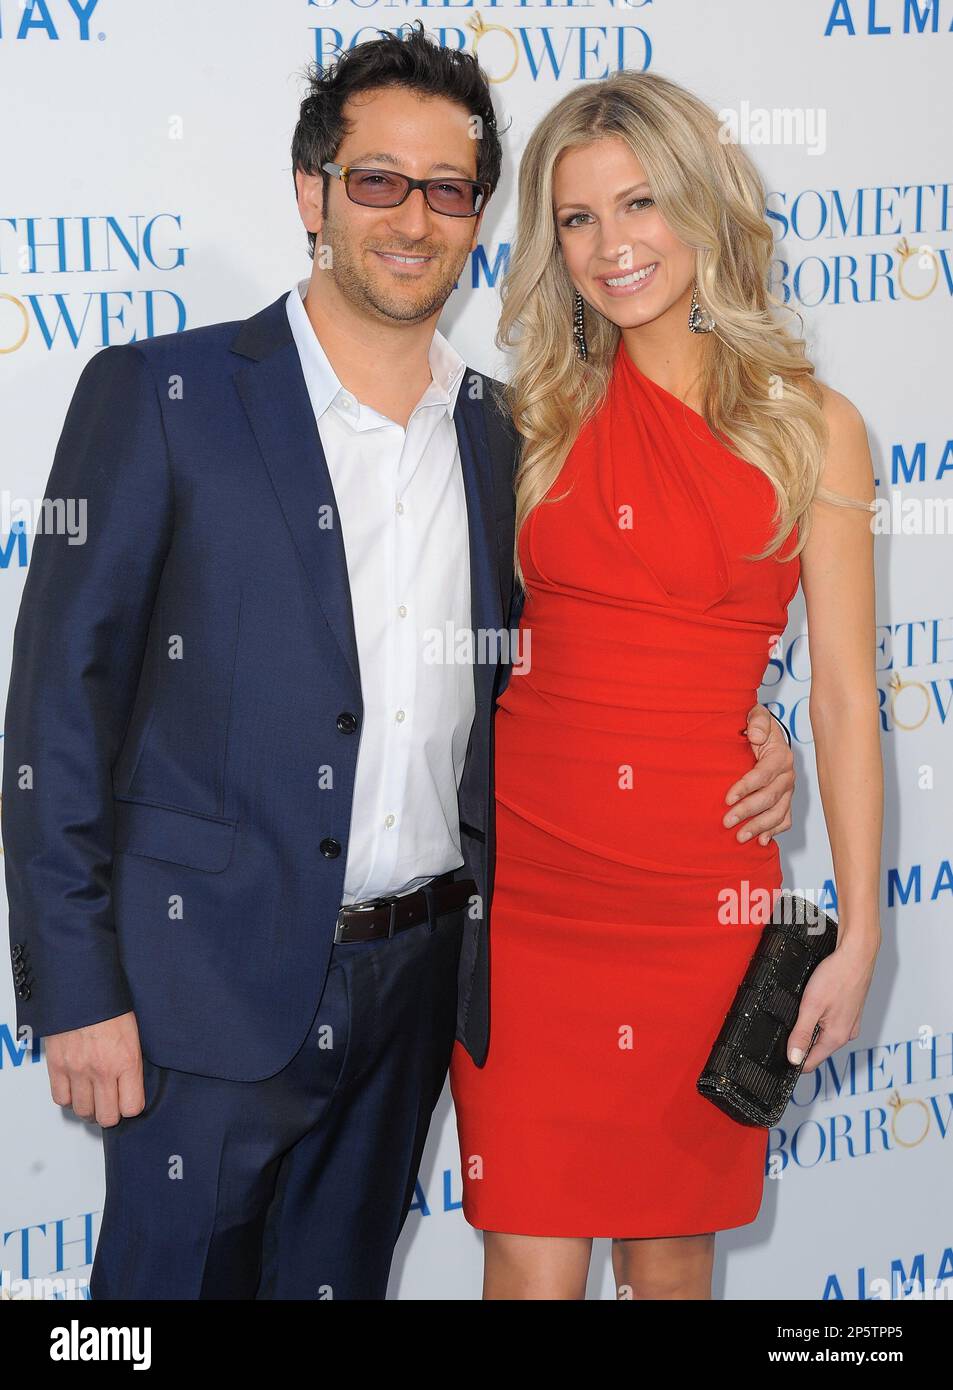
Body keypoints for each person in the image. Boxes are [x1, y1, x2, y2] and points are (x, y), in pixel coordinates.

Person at [2, 27, 795, 1301]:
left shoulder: (507, 435)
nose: (412, 218)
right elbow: (56, 711)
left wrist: (752, 726)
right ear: (311, 193)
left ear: (479, 217)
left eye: (447, 189)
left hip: (421, 992)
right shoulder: (162, 395)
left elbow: (597, 646)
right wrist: (79, 988)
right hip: (201, 990)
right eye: (377, 180)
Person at [449, 69, 883, 1301]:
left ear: (698, 205)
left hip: (700, 902)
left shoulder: (812, 426)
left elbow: (846, 697)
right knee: (525, 1264)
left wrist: (858, 930)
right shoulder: (522, 414)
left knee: (670, 1262)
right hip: (528, 903)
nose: (608, 245)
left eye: (637, 204)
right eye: (576, 218)